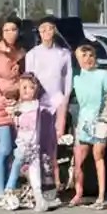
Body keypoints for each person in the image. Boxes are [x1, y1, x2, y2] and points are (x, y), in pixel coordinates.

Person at [26, 17, 72, 198]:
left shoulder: (64, 54)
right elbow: (28, 82)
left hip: (57, 103)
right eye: (43, 30)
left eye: (50, 29)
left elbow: (66, 84)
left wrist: (63, 108)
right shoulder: (33, 54)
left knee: (54, 146)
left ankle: (54, 184)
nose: (46, 33)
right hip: (38, 104)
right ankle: (36, 186)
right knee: (36, 145)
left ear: (54, 31)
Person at [0, 15, 25, 207]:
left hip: (18, 102)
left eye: (14, 29)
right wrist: (2, 100)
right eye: (7, 30)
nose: (11, 33)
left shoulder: (20, 51)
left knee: (18, 149)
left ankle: (12, 186)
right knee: (4, 147)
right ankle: (1, 192)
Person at [69, 44, 107, 209]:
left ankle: (101, 196)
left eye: (91, 55)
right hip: (83, 120)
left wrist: (104, 117)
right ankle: (78, 193)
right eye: (84, 56)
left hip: (100, 119)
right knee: (79, 159)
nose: (88, 59)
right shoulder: (76, 76)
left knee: (98, 156)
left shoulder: (103, 75)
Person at [0, 74, 52, 212]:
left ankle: (38, 197)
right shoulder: (19, 106)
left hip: (31, 145)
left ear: (36, 90)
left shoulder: (35, 106)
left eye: (30, 88)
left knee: (33, 170)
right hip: (22, 144)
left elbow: (32, 125)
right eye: (23, 87)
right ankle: (12, 190)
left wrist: (16, 113)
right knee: (19, 165)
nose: (26, 90)